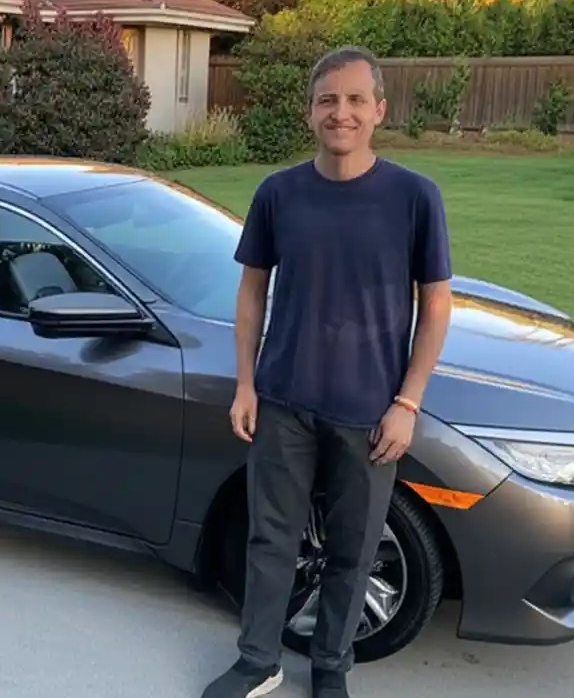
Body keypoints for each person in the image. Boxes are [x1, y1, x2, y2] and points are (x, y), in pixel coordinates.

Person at [201, 46, 454, 698]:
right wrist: (247, 384)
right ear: (310, 111)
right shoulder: (278, 194)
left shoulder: (414, 198)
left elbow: (437, 305)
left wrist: (409, 402)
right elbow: (252, 291)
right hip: (283, 402)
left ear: (378, 110)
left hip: (368, 414)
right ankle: (258, 660)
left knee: (352, 551)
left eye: (353, 100)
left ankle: (331, 668)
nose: (340, 112)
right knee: (270, 541)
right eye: (326, 100)